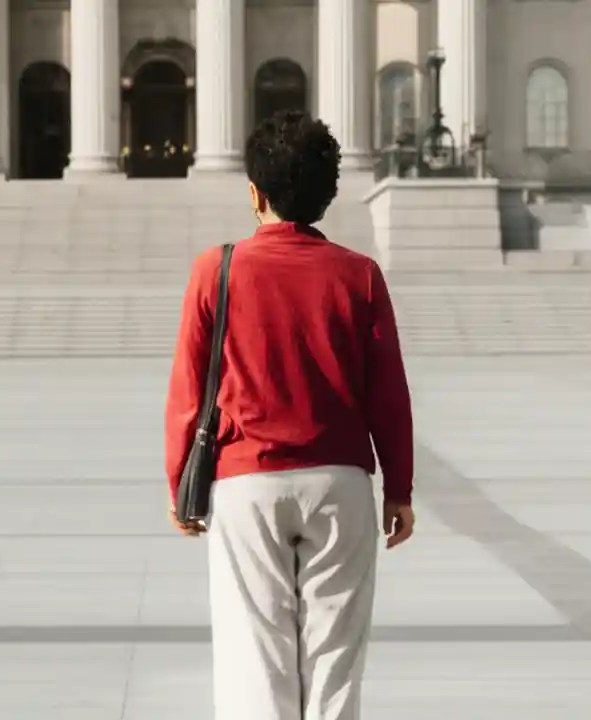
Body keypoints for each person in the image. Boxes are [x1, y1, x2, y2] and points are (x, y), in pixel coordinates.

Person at [164, 110, 415, 720]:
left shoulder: (215, 270)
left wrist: (180, 488)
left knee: (257, 661)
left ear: (255, 192)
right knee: (334, 662)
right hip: (341, 484)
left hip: (246, 481)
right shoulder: (360, 275)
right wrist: (399, 489)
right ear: (327, 194)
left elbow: (188, 393)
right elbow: (389, 392)